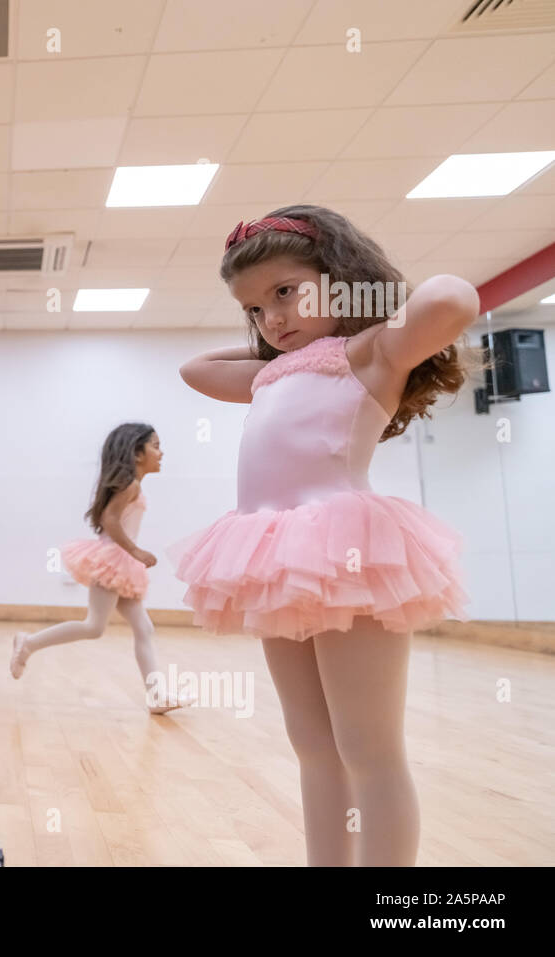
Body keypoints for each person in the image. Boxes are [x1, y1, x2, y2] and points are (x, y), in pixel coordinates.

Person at [171, 206, 476, 865]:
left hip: (349, 552)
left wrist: (358, 305)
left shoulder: (370, 352)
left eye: (284, 292)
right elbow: (193, 369)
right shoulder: (269, 374)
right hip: (273, 560)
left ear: (339, 277)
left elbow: (453, 296)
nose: (272, 319)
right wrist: (276, 338)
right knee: (312, 744)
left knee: (369, 746)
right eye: (253, 309)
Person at [10, 424, 190, 714]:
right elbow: (110, 519)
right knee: (94, 626)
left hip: (121, 563)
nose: (161, 452)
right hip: (112, 560)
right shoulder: (130, 485)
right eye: (155, 445)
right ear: (136, 452)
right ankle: (28, 643)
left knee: (144, 627)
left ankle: (157, 695)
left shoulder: (134, 485)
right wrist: (135, 551)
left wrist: (132, 555)